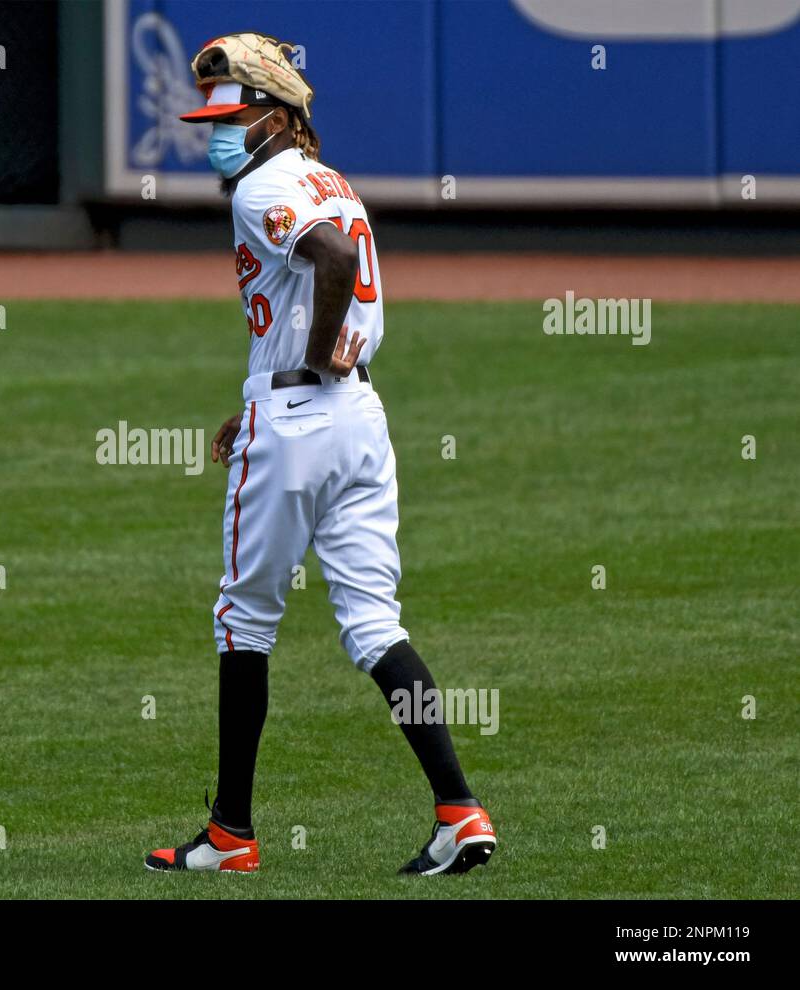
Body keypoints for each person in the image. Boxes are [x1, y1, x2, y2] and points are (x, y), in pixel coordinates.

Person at [144, 34, 497, 876]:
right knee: (376, 622)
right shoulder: (333, 183)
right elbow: (325, 269)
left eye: (229, 115)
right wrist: (263, 394)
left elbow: (329, 261)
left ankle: (231, 835)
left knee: (244, 621)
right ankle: (460, 811)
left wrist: (303, 365)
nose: (215, 133)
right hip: (359, 420)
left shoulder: (261, 185)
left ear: (274, 116)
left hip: (299, 418)